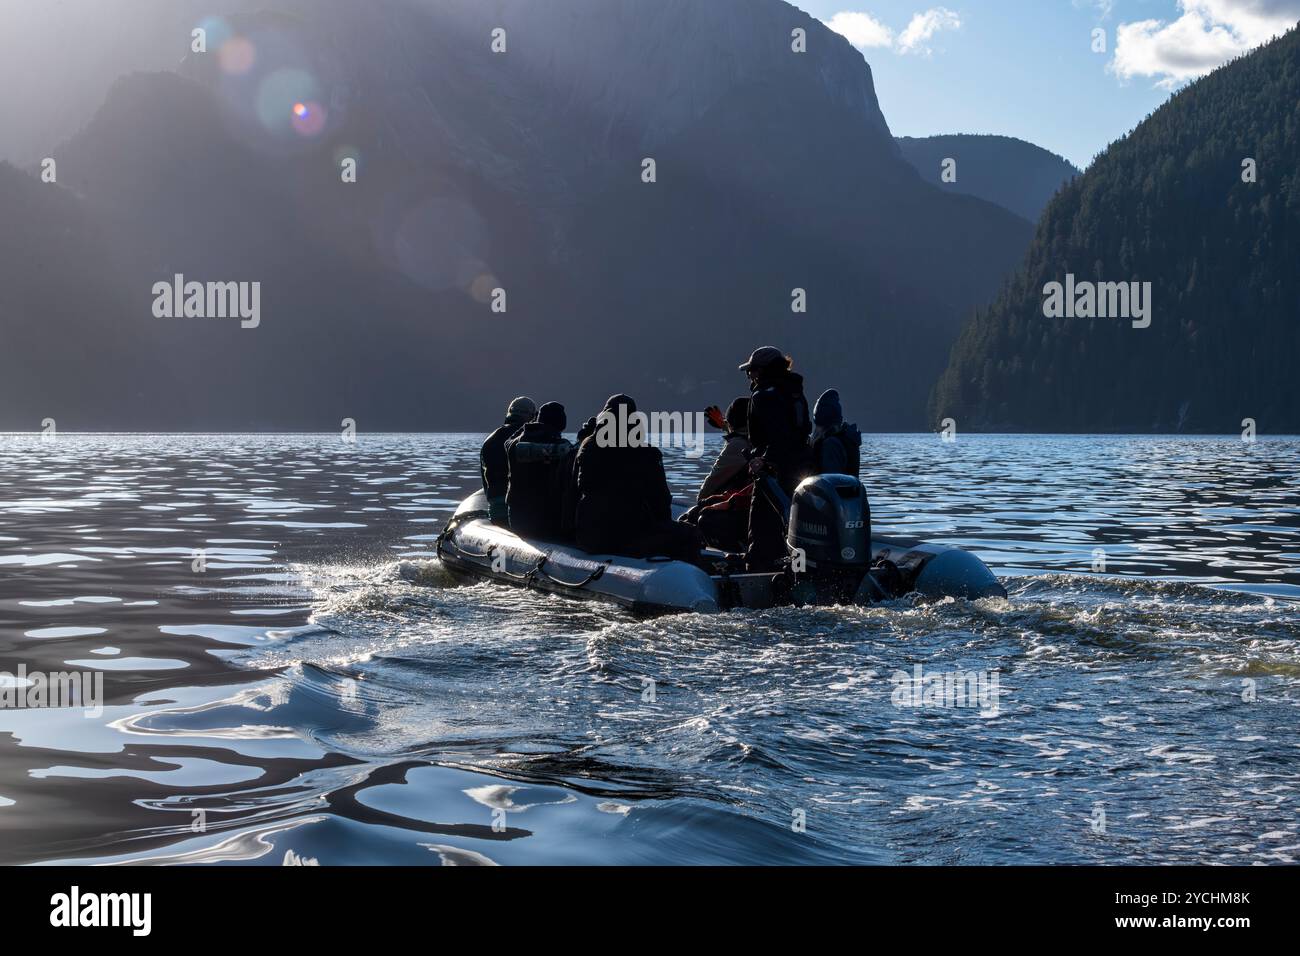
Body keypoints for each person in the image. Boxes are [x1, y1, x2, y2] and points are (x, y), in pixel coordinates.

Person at [574, 394, 700, 562]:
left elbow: (577, 488)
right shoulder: (648, 454)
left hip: (591, 536)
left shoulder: (586, 447)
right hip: (631, 536)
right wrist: (662, 525)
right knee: (690, 533)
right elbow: (660, 500)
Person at [739, 347, 813, 570]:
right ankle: (794, 564)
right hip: (801, 468)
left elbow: (778, 435)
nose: (750, 376)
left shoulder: (764, 396)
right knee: (792, 518)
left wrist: (763, 460)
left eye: (751, 371)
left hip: (773, 470)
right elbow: (800, 430)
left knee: (762, 522)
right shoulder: (794, 391)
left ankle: (758, 567)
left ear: (762, 370)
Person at [504, 402, 574, 541]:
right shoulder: (562, 448)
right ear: (561, 424)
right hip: (547, 524)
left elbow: (509, 440)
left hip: (517, 520)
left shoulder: (512, 444)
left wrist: (529, 425)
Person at [480, 396, 536, 526]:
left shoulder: (489, 440)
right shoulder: (528, 438)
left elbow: (485, 481)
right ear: (531, 416)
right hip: (520, 511)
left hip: (496, 511)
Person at [697, 397, 752, 503]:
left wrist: (701, 501)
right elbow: (745, 432)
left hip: (736, 505)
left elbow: (713, 481)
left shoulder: (737, 445)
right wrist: (724, 425)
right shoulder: (760, 438)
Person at [811, 388, 861, 477]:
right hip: (849, 490)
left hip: (836, 490)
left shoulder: (830, 444)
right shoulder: (848, 438)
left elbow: (830, 478)